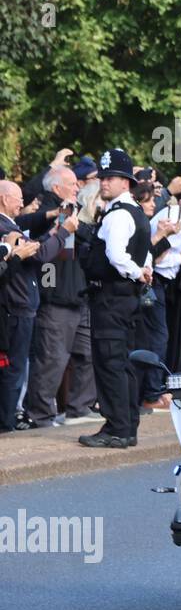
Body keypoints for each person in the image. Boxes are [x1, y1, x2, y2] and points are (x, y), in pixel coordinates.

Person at [79, 150, 152, 448]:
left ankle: (117, 428)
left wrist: (136, 273)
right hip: (123, 298)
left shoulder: (119, 214)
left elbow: (117, 256)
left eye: (110, 178)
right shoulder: (134, 212)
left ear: (126, 182)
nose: (104, 182)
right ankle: (127, 425)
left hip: (112, 296)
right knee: (122, 362)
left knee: (110, 362)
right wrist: (142, 272)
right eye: (103, 177)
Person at [1, 178, 78, 431]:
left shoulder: (11, 225)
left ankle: (9, 419)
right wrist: (65, 231)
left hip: (22, 305)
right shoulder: (4, 228)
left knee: (17, 368)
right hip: (16, 308)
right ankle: (6, 424)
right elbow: (43, 255)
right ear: (4, 199)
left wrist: (56, 231)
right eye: (17, 197)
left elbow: (37, 251)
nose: (22, 202)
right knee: (13, 371)